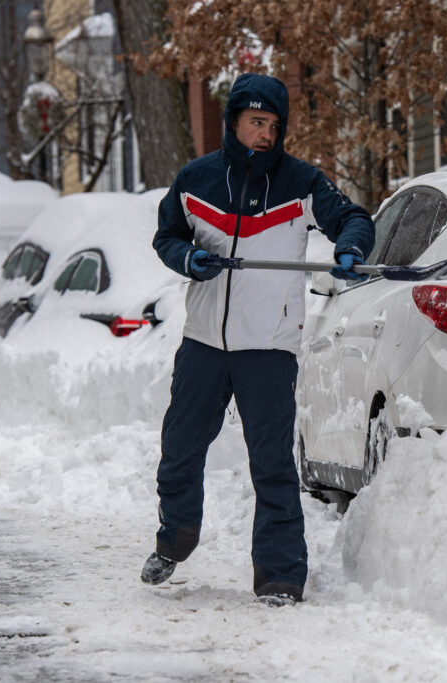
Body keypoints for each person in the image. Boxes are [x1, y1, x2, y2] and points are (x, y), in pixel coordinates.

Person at [141, 73, 375, 606]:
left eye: (273, 125)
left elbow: (353, 219)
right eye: (256, 122)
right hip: (203, 342)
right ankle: (174, 540)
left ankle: (280, 577)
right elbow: (167, 235)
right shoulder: (195, 179)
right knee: (179, 450)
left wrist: (351, 249)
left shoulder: (301, 183)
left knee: (271, 465)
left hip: (268, 348)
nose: (265, 134)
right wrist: (188, 260)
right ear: (233, 122)